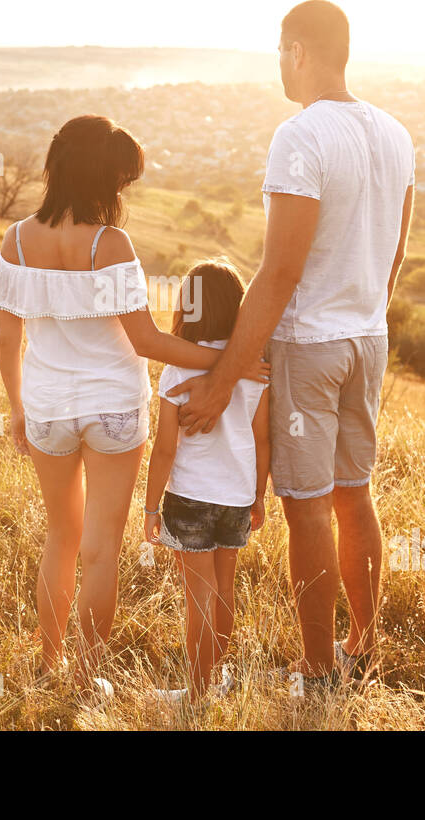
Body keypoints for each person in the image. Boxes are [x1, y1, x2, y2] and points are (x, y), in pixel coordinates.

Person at [166, 0, 416, 688]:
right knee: (354, 496)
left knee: (307, 510)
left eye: (281, 50)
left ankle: (316, 673)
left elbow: (279, 272)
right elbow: (396, 252)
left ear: (300, 51)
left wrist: (222, 383)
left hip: (311, 344)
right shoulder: (396, 133)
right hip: (368, 337)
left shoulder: (300, 136)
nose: (278, 62)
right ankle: (362, 648)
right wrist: (365, 313)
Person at [0, 115, 268, 690]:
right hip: (114, 408)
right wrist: (231, 362)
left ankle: (49, 666)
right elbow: (146, 341)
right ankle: (88, 676)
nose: (120, 194)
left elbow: (7, 337)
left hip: (46, 407)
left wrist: (17, 407)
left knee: (59, 537)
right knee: (101, 550)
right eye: (118, 182)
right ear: (101, 177)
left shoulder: (16, 240)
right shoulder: (108, 244)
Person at [143, 260, 270, 701]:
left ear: (188, 307)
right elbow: (263, 440)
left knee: (199, 595)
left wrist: (149, 508)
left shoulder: (178, 368)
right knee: (224, 590)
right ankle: (213, 681)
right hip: (236, 497)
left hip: (190, 497)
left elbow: (163, 449)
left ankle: (195, 694)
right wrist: (258, 495)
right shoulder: (253, 371)